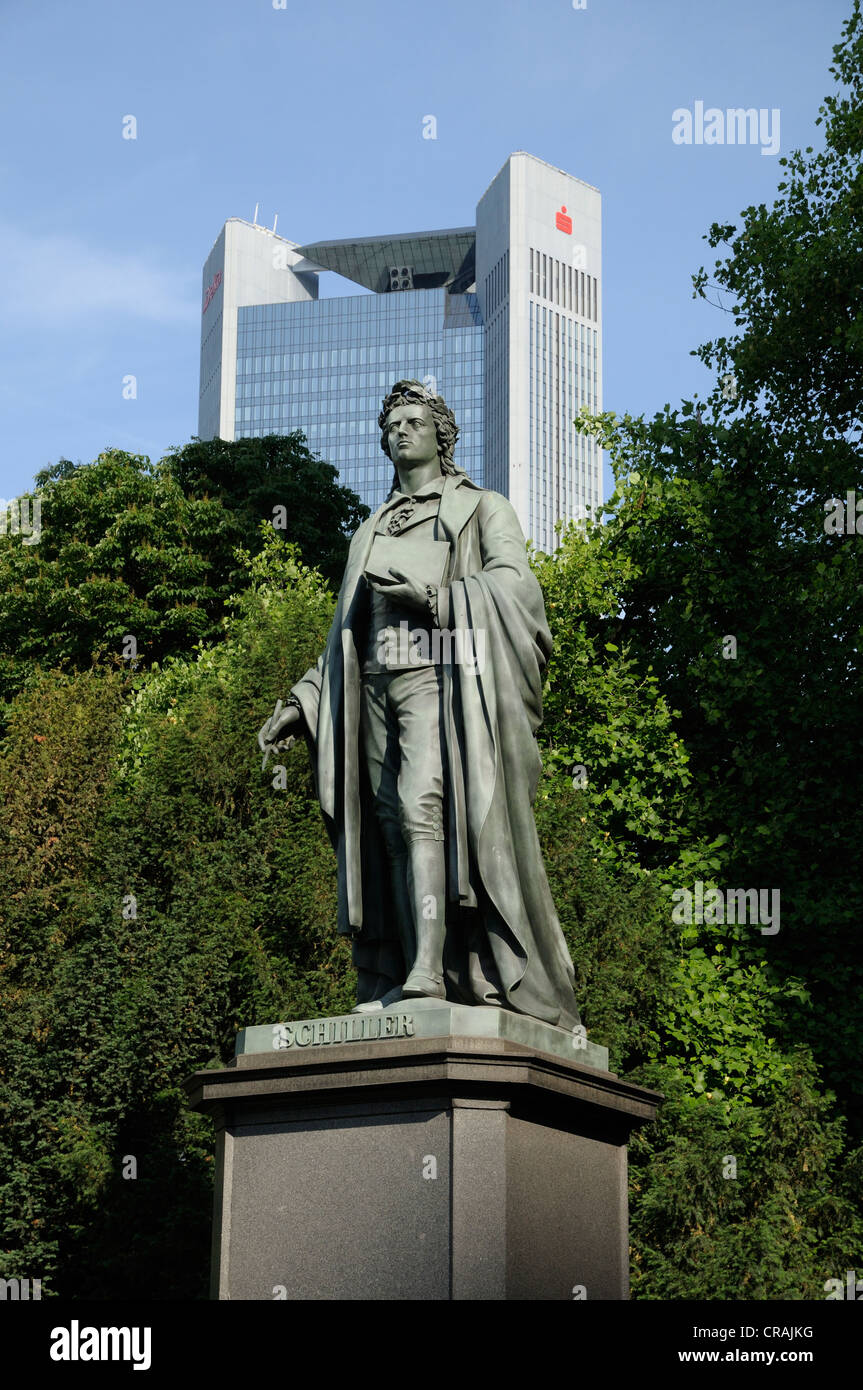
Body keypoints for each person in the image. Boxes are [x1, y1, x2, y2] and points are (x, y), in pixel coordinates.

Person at [258, 379, 580, 1029]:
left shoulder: (481, 510)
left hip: (439, 677)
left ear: (441, 434)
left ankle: (429, 971)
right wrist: (306, 698)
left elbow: (519, 596)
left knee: (419, 806)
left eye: (412, 422)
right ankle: (408, 964)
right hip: (371, 690)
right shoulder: (371, 529)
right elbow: (344, 635)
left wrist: (434, 599)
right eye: (391, 425)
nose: (398, 432)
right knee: (389, 830)